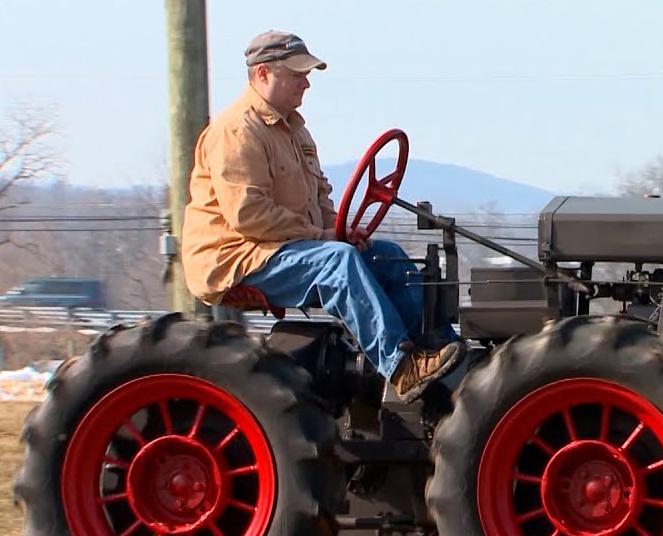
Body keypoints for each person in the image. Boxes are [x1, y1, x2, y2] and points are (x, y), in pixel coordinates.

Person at [180, 31, 464, 404]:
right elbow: (249, 216)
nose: (307, 82)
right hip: (240, 257)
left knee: (388, 256)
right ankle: (400, 367)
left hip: (288, 247)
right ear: (263, 74)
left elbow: (320, 196)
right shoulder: (236, 131)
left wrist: (339, 229)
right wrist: (322, 238)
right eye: (297, 73)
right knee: (338, 263)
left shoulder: (296, 131)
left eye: (307, 73)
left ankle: (450, 357)